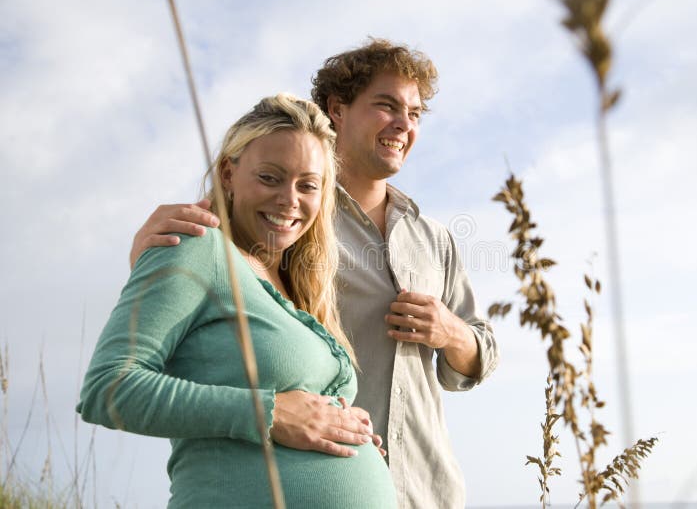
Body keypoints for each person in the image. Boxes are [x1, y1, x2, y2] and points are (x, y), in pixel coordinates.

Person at [129, 39, 499, 509]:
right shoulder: (287, 216)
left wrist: (451, 333)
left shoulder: (434, 238)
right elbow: (206, 275)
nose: (404, 124)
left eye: (416, 113)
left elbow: (482, 353)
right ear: (337, 110)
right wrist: (148, 250)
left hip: (428, 491)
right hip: (298, 483)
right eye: (386, 106)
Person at [78, 93, 398, 508]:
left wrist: (340, 423)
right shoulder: (197, 248)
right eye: (270, 177)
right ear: (229, 173)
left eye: (308, 185)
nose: (289, 199)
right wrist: (271, 412)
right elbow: (109, 389)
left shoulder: (298, 288)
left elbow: (298, 407)